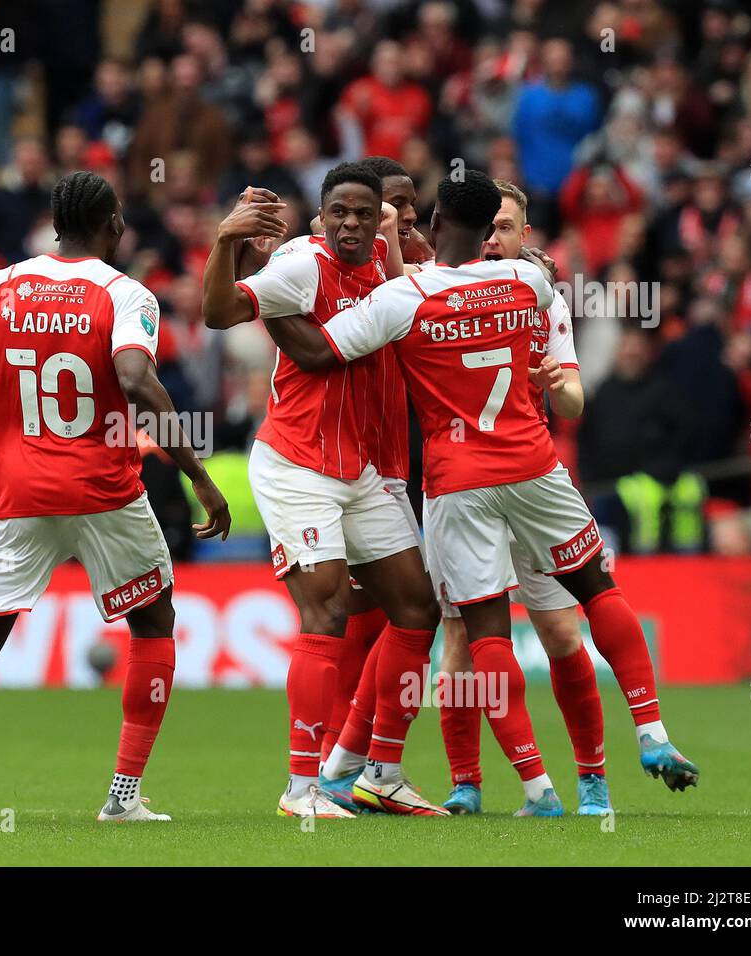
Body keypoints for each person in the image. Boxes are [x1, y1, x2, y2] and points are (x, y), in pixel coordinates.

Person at [262, 170, 699, 817]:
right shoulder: (528, 282)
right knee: (597, 590)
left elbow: (324, 352)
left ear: (436, 227)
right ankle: (651, 732)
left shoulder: (405, 298)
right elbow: (544, 287)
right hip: (534, 467)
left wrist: (267, 297)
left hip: (457, 484)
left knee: (481, 635)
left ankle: (533, 788)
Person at [0, 171, 232, 822]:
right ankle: (124, 797)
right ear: (114, 227)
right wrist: (198, 475)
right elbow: (136, 378)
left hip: (17, 491)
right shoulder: (126, 294)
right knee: (153, 624)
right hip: (103, 488)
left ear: (54, 224)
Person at [202, 162, 445, 818]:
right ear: (322, 215)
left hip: (360, 469)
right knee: (328, 614)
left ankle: (382, 774)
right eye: (340, 211)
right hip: (297, 463)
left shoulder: (389, 277)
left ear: (381, 222)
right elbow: (218, 310)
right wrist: (226, 242)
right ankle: (301, 790)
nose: (352, 224)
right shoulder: (302, 265)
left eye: (366, 214)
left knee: (419, 609)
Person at [435, 180, 610, 817]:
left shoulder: (541, 296)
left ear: (523, 234)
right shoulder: (434, 290)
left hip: (529, 481)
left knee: (561, 631)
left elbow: (573, 403)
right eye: (488, 227)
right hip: (460, 487)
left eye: (506, 227)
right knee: (461, 640)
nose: (494, 238)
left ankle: (591, 777)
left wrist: (555, 383)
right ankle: (466, 783)